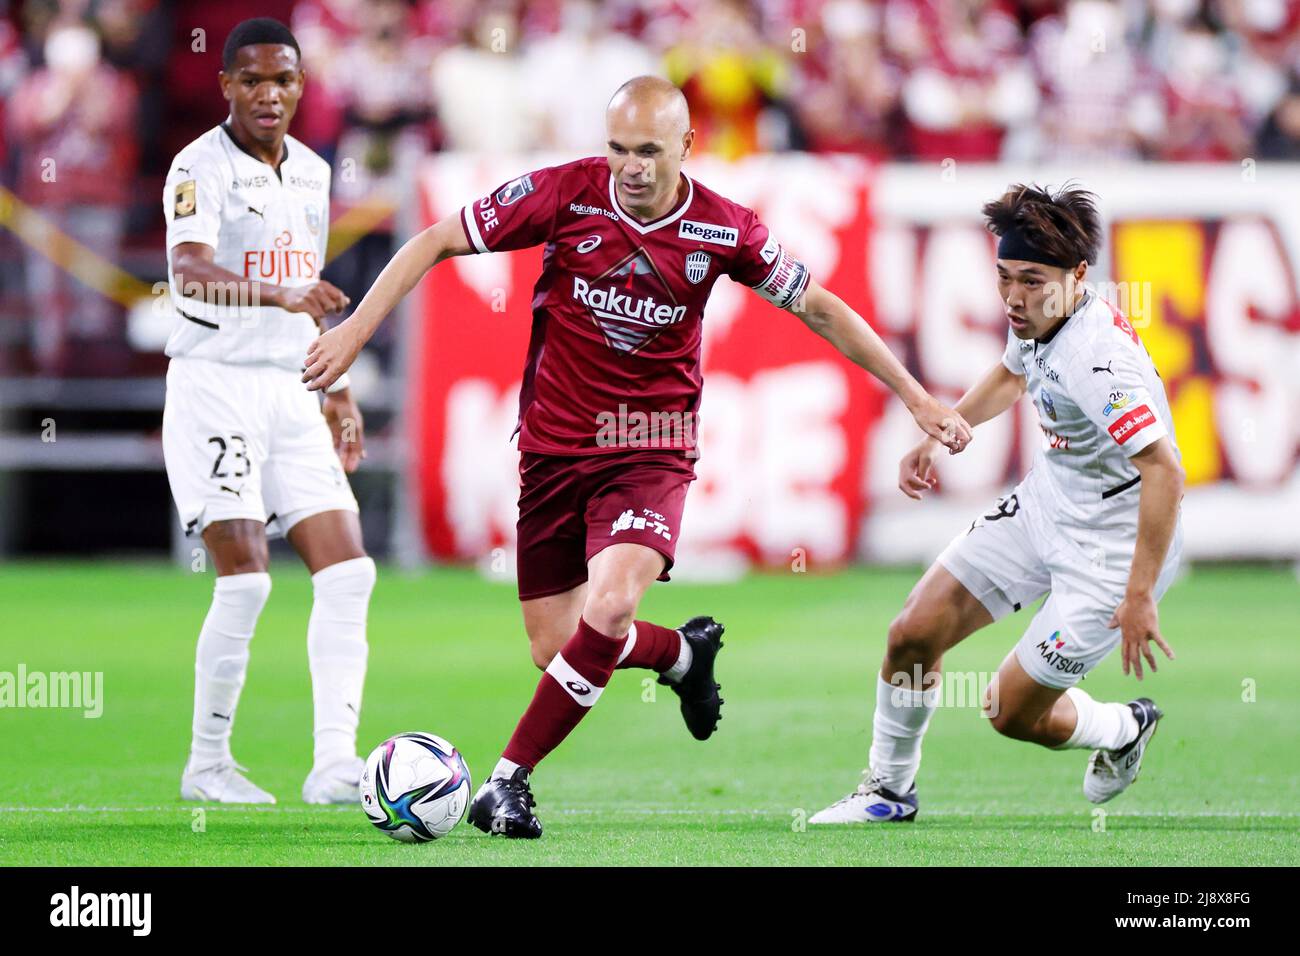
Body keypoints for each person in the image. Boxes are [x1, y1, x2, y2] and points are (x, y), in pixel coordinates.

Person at [303, 76, 971, 838]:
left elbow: (817, 304)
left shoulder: (726, 229)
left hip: (649, 449)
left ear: (686, 146)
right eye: (619, 148)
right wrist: (354, 332)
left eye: (649, 151)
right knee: (558, 649)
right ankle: (682, 655)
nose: (632, 167)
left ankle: (506, 783)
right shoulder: (564, 194)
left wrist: (917, 397)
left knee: (611, 604)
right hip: (552, 453)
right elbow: (435, 240)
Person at [810, 184, 1184, 824]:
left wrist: (1140, 593)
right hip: (1046, 508)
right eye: (1004, 278)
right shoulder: (1045, 318)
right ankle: (889, 791)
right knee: (913, 634)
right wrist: (948, 426)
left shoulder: (1100, 361)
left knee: (1008, 713)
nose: (1013, 297)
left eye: (1032, 281)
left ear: (1078, 277)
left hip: (1110, 555)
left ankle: (1122, 727)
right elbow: (1013, 374)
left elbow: (1164, 471)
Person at [162, 18, 373, 805]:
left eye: (283, 80)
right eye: (252, 80)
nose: (268, 94)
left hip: (288, 386)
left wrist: (336, 386)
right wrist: (277, 292)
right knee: (246, 583)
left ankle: (333, 766)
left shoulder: (315, 173)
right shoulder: (197, 166)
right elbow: (187, 272)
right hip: (214, 381)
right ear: (226, 86)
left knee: (350, 572)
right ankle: (208, 764)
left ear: (301, 88)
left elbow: (308, 288)